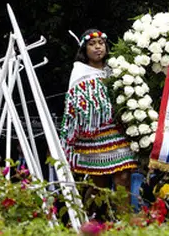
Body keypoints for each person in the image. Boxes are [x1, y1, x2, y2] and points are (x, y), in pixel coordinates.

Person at [60, 29, 137, 205]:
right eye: (92, 44)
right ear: (84, 49)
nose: (97, 48)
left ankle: (125, 226)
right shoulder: (79, 72)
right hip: (93, 136)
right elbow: (73, 109)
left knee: (123, 178)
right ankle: (90, 224)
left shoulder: (115, 70)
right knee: (98, 186)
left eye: (101, 43)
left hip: (118, 133)